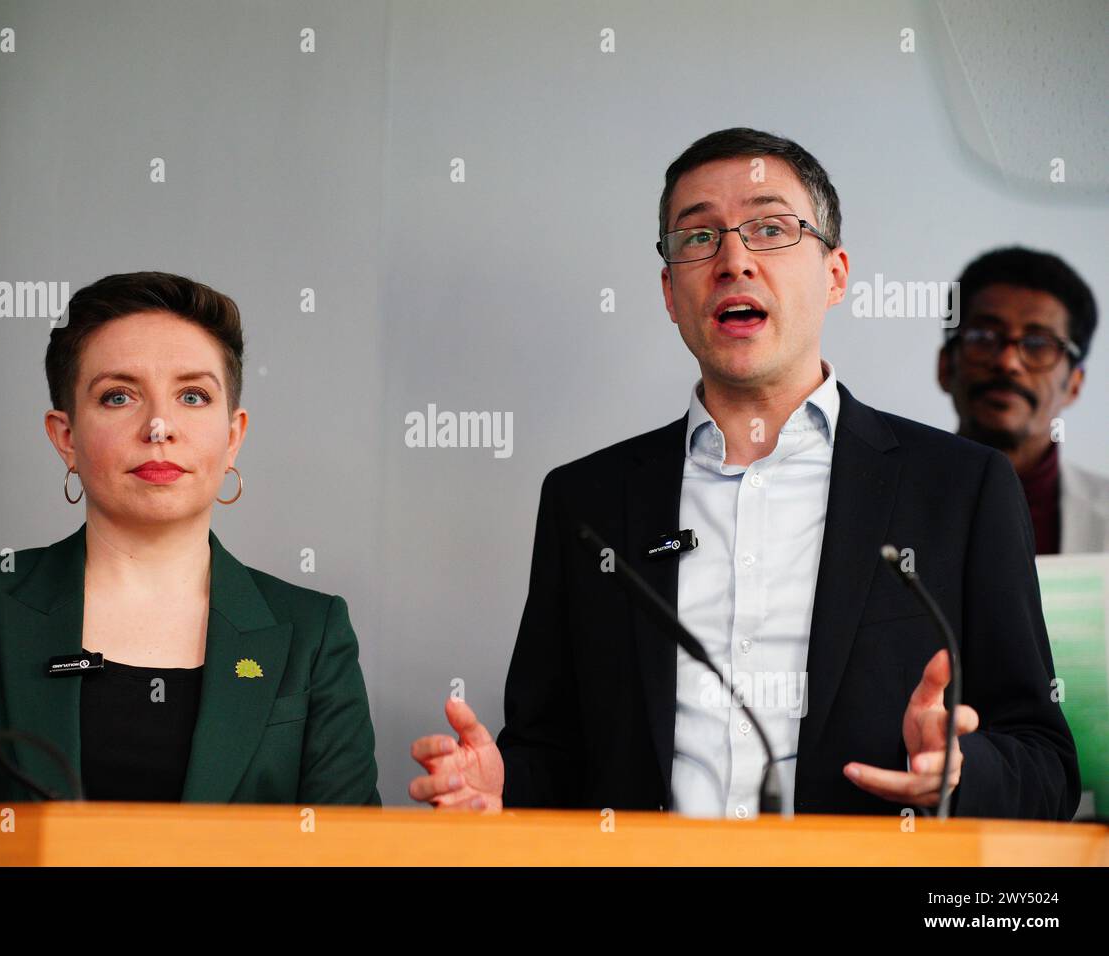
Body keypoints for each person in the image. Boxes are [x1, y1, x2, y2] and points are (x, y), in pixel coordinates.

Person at [409, 128, 1079, 820]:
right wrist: (499, 790)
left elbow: (1046, 763)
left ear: (836, 275)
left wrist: (959, 772)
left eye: (770, 228)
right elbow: (555, 755)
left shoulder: (961, 490)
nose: (733, 259)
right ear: (671, 293)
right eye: (698, 238)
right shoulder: (587, 502)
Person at [0, 272, 379, 805]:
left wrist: (463, 835)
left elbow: (353, 860)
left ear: (233, 437)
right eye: (117, 397)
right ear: (66, 437)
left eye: (193, 395)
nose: (159, 426)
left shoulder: (313, 633)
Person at [937, 246, 1108, 554]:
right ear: (946, 366)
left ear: (1074, 384)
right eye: (984, 337)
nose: (1008, 362)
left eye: (1038, 344)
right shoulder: (885, 500)